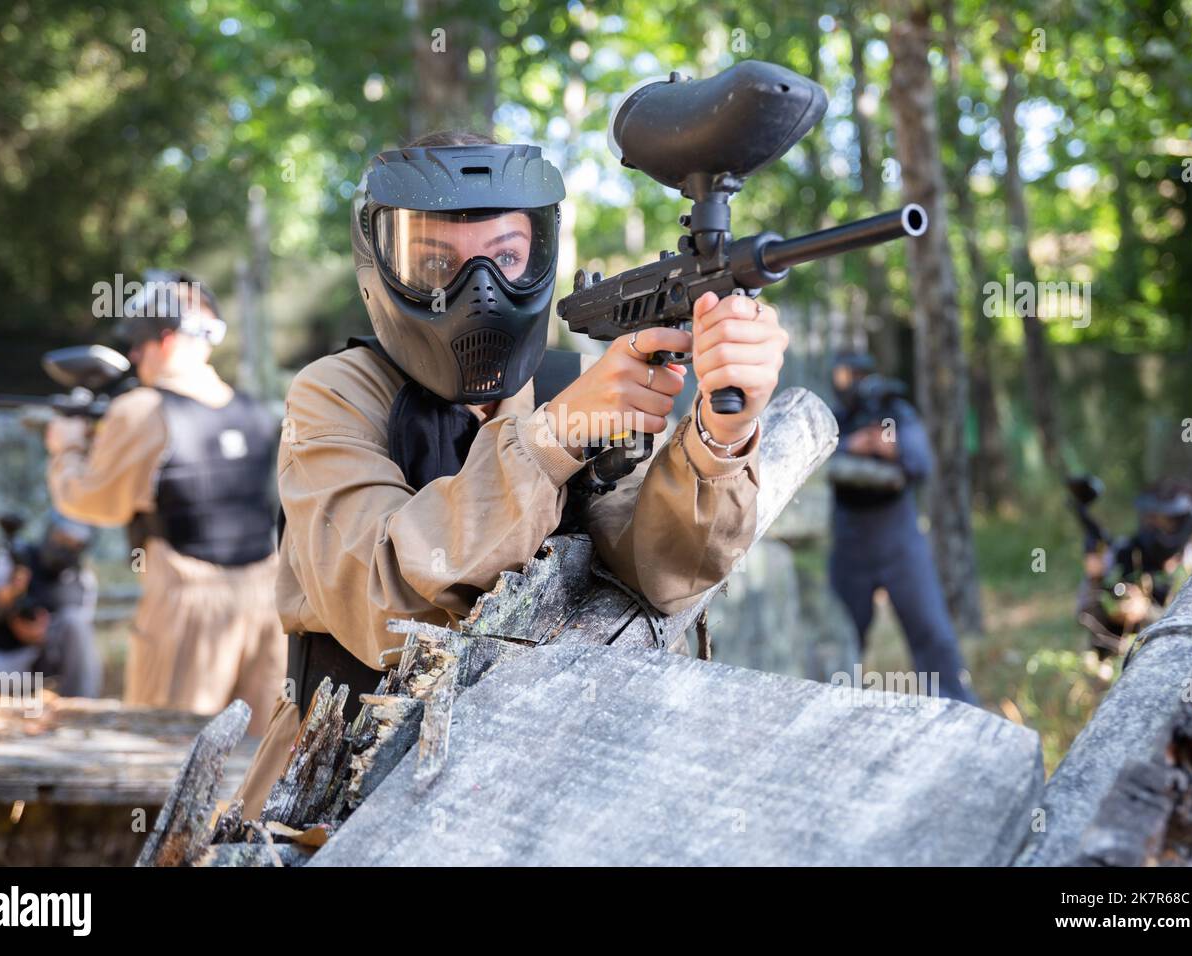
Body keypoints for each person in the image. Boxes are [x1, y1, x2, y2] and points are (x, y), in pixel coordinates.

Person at [233, 130, 792, 816]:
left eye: (505, 258)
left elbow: (659, 569)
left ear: (540, 257)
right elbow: (380, 601)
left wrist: (719, 435)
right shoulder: (336, 394)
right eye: (437, 262)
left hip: (539, 787)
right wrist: (553, 438)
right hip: (341, 794)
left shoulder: (569, 385)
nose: (480, 292)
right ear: (379, 261)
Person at [43, 272, 284, 735]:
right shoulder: (253, 411)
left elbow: (91, 503)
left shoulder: (141, 410)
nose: (133, 356)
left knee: (163, 755)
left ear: (167, 339)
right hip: (266, 605)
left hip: (187, 610)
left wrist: (67, 448)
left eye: (138, 342)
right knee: (256, 765)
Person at [825, 351, 978, 704]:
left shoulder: (895, 413)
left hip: (899, 541)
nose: (851, 382)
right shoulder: (835, 420)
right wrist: (854, 444)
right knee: (842, 639)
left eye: (857, 374)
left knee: (931, 633)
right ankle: (832, 711)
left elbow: (921, 461)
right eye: (845, 374)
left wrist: (889, 445)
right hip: (851, 544)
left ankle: (958, 709)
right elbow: (815, 460)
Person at [0, 512, 101, 698]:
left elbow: (80, 638)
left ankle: (81, 706)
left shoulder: (83, 581)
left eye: (74, 544)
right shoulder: (13, 559)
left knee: (76, 623)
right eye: (61, 538)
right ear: (50, 532)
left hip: (41, 666)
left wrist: (41, 635)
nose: (64, 548)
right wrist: (9, 597)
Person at [1076, 478, 1192, 657]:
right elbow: (1084, 616)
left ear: (1183, 522)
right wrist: (1095, 580)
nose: (1154, 528)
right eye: (1150, 520)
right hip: (1118, 667)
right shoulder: (1123, 554)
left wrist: (1146, 613)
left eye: (1163, 522)